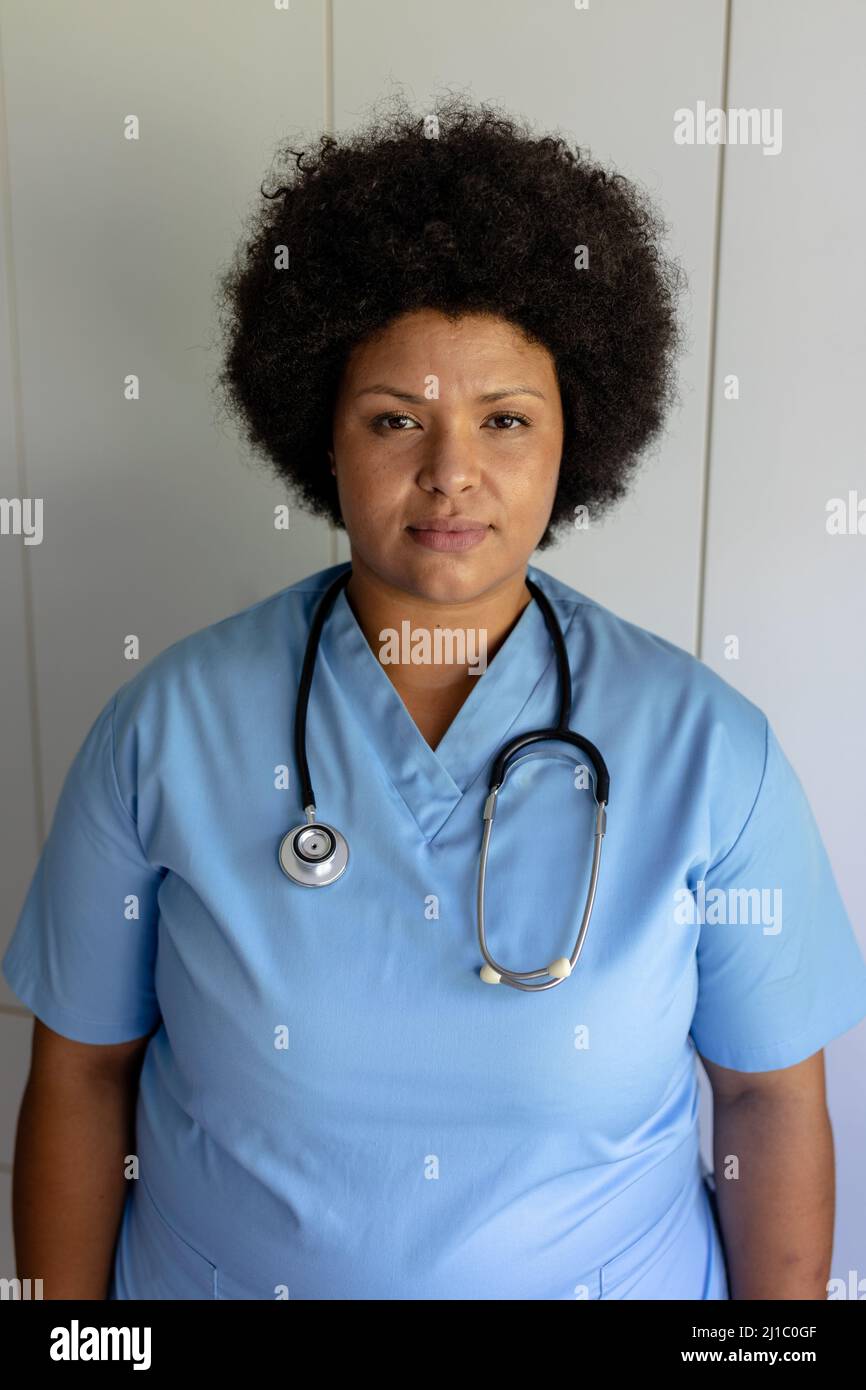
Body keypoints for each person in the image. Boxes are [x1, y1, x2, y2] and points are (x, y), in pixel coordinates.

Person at [5, 93, 866, 1301]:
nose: (450, 472)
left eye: (504, 419)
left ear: (578, 435)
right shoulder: (167, 732)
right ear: (323, 432)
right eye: (394, 420)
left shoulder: (706, 752)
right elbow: (83, 1078)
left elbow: (767, 1097)